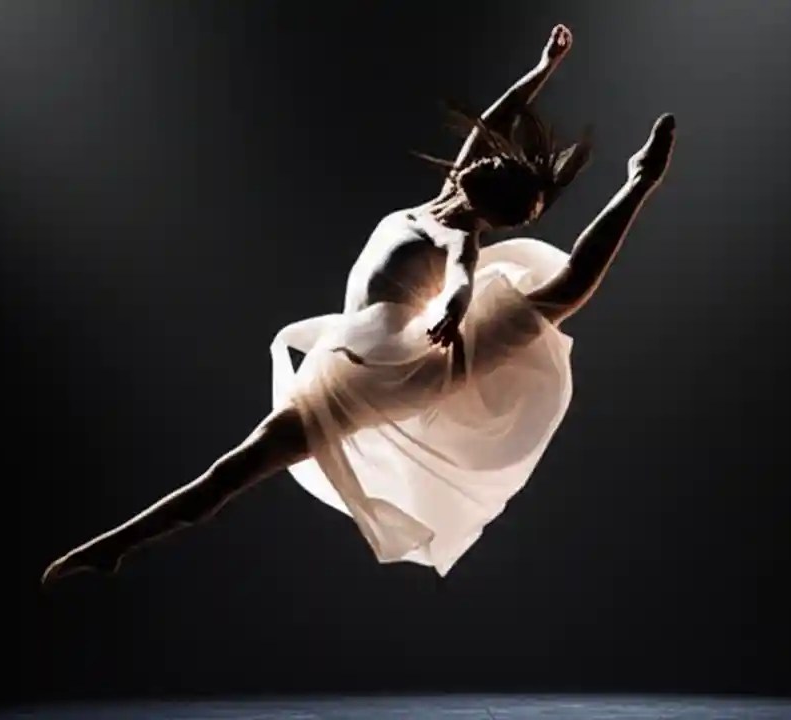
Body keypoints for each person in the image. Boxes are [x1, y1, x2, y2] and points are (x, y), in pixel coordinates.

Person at [41, 24, 675, 585]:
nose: (485, 153)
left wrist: (455, 308)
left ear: (491, 201)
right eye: (491, 155)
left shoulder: (456, 231)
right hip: (362, 356)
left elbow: (461, 273)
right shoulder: (448, 194)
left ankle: (639, 182)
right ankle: (116, 548)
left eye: (496, 166)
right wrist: (541, 72)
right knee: (235, 468)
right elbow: (494, 119)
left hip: (393, 370)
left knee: (558, 295)